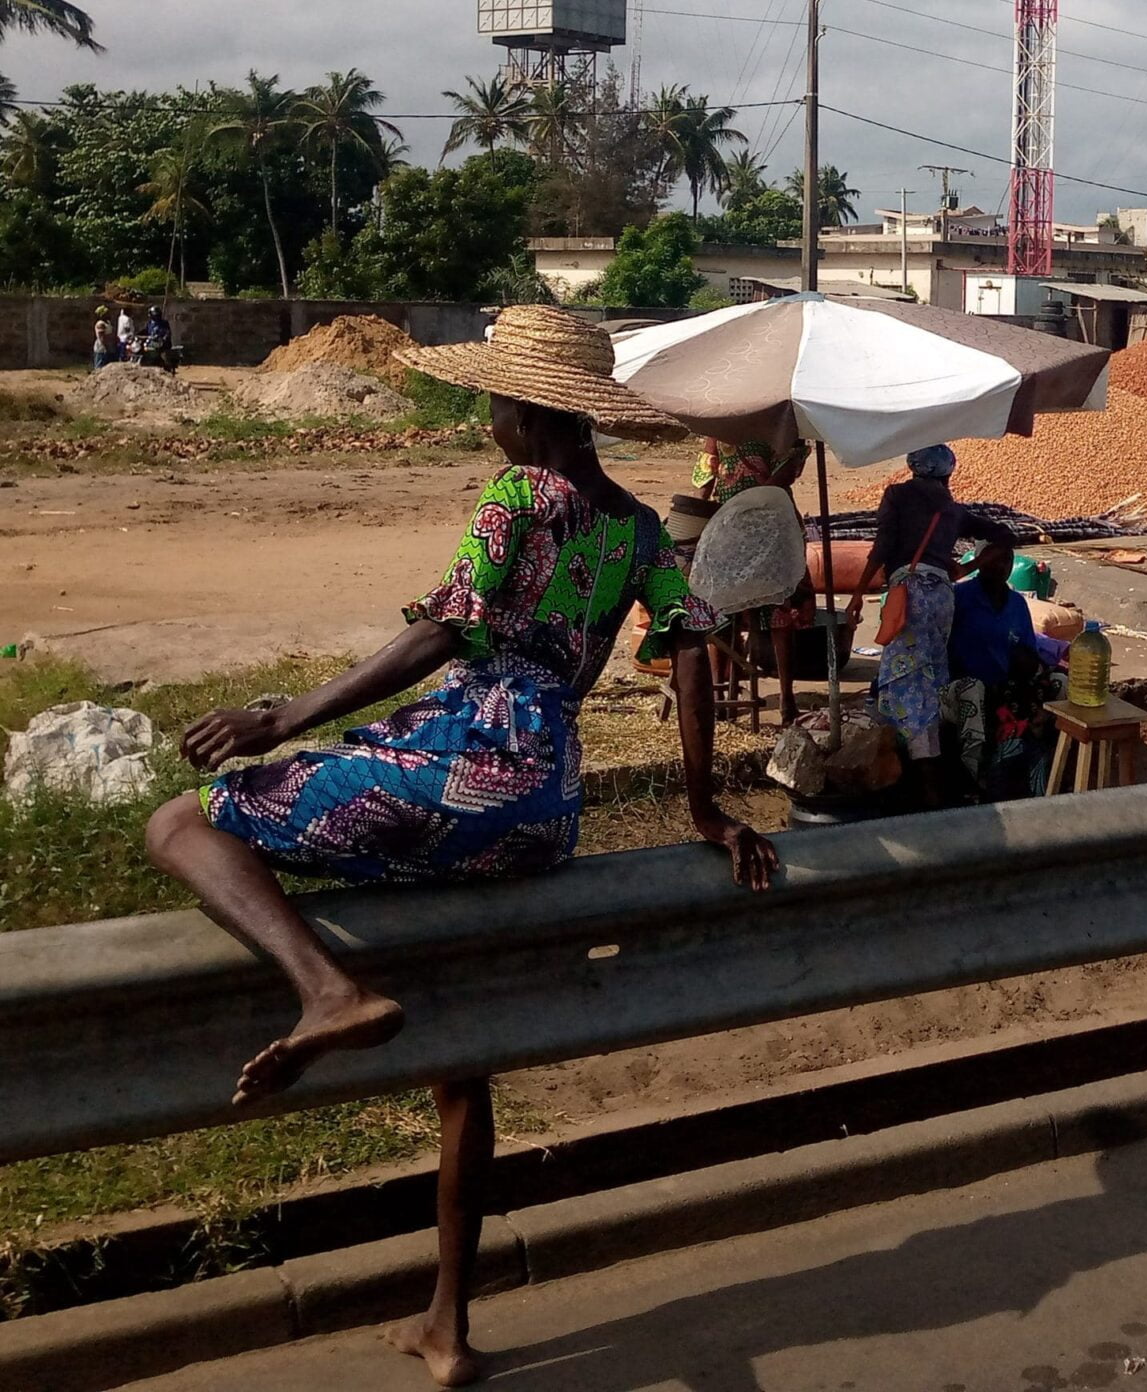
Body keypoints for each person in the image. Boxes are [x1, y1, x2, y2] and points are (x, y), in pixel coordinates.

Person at [143, 306, 776, 1388]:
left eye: (492, 402)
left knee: (183, 821)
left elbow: (443, 630)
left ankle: (324, 991)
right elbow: (687, 657)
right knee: (462, 1064)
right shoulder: (633, 529)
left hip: (459, 760)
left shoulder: (516, 496)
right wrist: (703, 808)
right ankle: (445, 1323)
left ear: (529, 412)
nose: (488, 421)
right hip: (541, 814)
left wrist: (282, 717)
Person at [855, 445, 1008, 801]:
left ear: (913, 468)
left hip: (910, 598)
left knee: (910, 685)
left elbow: (883, 546)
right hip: (941, 597)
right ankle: (917, 766)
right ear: (948, 473)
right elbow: (1004, 536)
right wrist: (965, 569)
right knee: (924, 678)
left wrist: (857, 594)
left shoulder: (898, 495)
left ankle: (928, 783)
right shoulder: (952, 510)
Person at [692, 435, 817, 726]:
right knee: (724, 611)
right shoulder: (718, 430)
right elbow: (704, 479)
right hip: (738, 525)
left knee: (777, 612)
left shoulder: (776, 423)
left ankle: (786, 698)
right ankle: (722, 696)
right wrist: (698, 522)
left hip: (764, 524)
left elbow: (787, 470)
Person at [948, 536, 1056, 800]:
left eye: (1006, 560)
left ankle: (1047, 779)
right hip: (966, 683)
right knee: (975, 693)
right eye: (993, 559)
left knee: (1058, 688)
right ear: (979, 562)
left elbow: (1028, 651)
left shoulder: (1017, 605)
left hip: (1008, 684)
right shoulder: (959, 598)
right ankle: (971, 783)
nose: (1000, 566)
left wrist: (1031, 666)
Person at [139, 304, 173, 372]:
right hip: (151, 342)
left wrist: (164, 338)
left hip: (161, 343)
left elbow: (167, 332)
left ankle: (167, 367)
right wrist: (138, 335)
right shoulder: (150, 323)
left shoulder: (164, 323)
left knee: (164, 354)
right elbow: (145, 331)